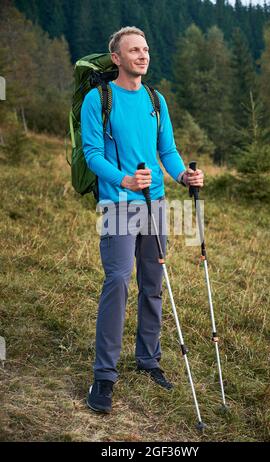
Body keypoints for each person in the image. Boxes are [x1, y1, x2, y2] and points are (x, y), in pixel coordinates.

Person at [81, 26, 204, 414]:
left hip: (157, 204)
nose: (143, 55)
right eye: (134, 50)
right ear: (116, 58)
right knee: (117, 281)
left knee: (153, 283)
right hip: (116, 205)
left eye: (146, 49)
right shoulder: (97, 99)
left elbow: (165, 149)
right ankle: (104, 375)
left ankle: (149, 360)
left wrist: (183, 174)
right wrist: (125, 179)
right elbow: (92, 154)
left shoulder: (155, 99)